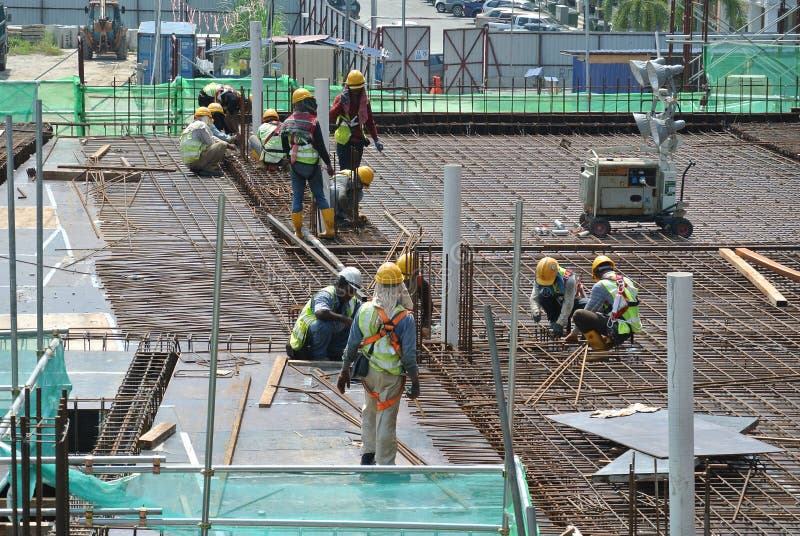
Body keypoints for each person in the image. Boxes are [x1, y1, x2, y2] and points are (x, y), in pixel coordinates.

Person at [338, 262, 419, 466]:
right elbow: (408, 356)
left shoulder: (364, 310)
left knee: (370, 411)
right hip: (391, 377)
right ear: (400, 287)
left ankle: (367, 454)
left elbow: (352, 343)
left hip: (369, 373)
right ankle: (385, 464)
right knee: (386, 419)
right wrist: (415, 380)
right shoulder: (405, 318)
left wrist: (344, 370)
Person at [281, 88, 336, 239]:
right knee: (320, 196)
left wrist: (288, 158)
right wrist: (329, 164)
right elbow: (321, 145)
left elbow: (284, 144)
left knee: (297, 197)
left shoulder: (287, 122)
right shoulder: (313, 122)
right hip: (312, 166)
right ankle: (330, 230)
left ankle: (298, 232)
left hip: (296, 166)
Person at [286, 267, 362, 360]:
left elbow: (362, 316)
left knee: (352, 324)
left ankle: (336, 353)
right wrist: (344, 319)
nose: (351, 294)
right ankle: (319, 357)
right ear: (340, 285)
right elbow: (320, 313)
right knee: (324, 325)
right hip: (306, 336)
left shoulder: (353, 302)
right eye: (350, 290)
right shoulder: (326, 294)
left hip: (329, 335)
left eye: (353, 291)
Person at [572, 255, 643, 351]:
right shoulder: (626, 281)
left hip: (617, 330)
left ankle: (600, 351)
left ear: (596, 273)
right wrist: (582, 292)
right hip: (629, 329)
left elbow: (588, 310)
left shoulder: (601, 285)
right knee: (595, 315)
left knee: (579, 315)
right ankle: (607, 343)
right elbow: (599, 307)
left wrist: (574, 334)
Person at [329, 69, 384, 171]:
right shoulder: (340, 99)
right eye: (354, 89)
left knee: (354, 172)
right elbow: (331, 116)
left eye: (358, 89)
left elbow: (369, 122)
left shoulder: (365, 102)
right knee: (345, 171)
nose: (355, 92)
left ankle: (352, 187)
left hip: (358, 141)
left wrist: (376, 139)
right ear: (348, 87)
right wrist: (340, 104)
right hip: (343, 142)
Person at [529, 257, 587, 342]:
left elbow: (568, 303)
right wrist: (535, 311)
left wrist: (560, 323)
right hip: (553, 305)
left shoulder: (569, 279)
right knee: (542, 296)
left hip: (571, 306)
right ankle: (553, 322)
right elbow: (534, 296)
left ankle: (584, 332)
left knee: (587, 304)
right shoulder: (540, 275)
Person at [179, 107, 236, 177]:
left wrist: (228, 145)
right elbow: (211, 143)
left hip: (190, 164)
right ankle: (208, 168)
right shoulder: (201, 125)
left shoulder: (190, 127)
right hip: (196, 162)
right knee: (222, 145)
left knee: (222, 144)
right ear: (206, 118)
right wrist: (225, 147)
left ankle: (202, 168)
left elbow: (212, 137)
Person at [397, 252, 432, 339]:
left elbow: (428, 306)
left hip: (408, 318)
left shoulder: (420, 283)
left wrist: (425, 324)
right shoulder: (391, 280)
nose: (406, 283)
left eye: (409, 280)